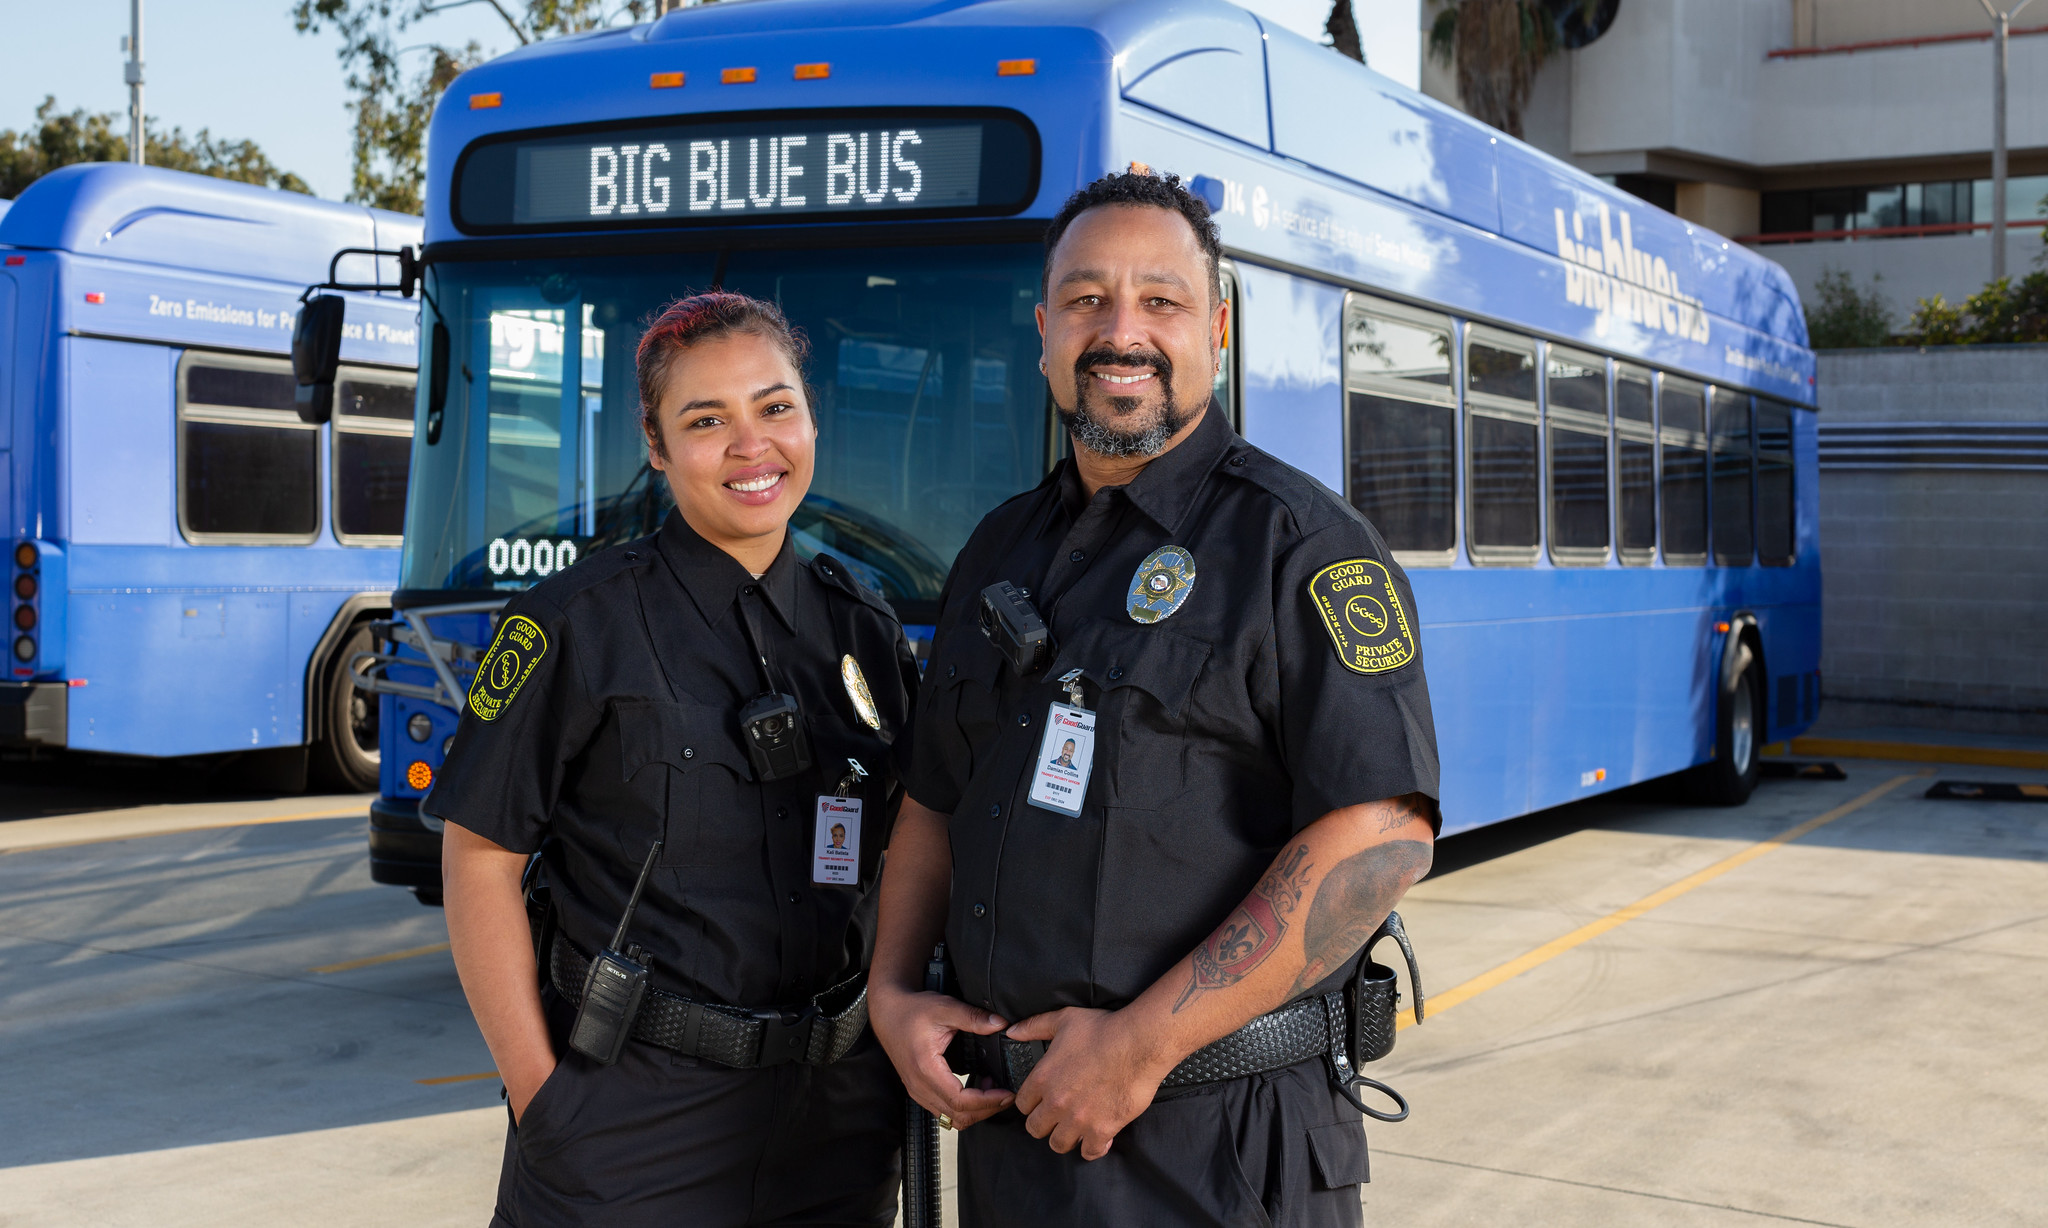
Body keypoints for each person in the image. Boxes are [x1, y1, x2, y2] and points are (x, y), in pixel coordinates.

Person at [868, 171, 1441, 1227]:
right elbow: (932, 799)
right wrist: (891, 994)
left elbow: (1381, 836)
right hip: (1016, 1139)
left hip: (1220, 1149)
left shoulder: (1300, 547)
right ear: (1043, 332)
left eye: (1159, 301)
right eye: (1086, 300)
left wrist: (1138, 1047)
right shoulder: (997, 549)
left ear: (1214, 330)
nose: (1118, 332)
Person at [428, 292, 917, 1228]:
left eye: (775, 407)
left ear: (810, 418)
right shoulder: (573, 622)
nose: (751, 445)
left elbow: (903, 849)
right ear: (655, 446)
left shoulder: (862, 624)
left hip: (838, 1120)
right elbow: (479, 859)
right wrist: (547, 1105)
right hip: (630, 1118)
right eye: (706, 420)